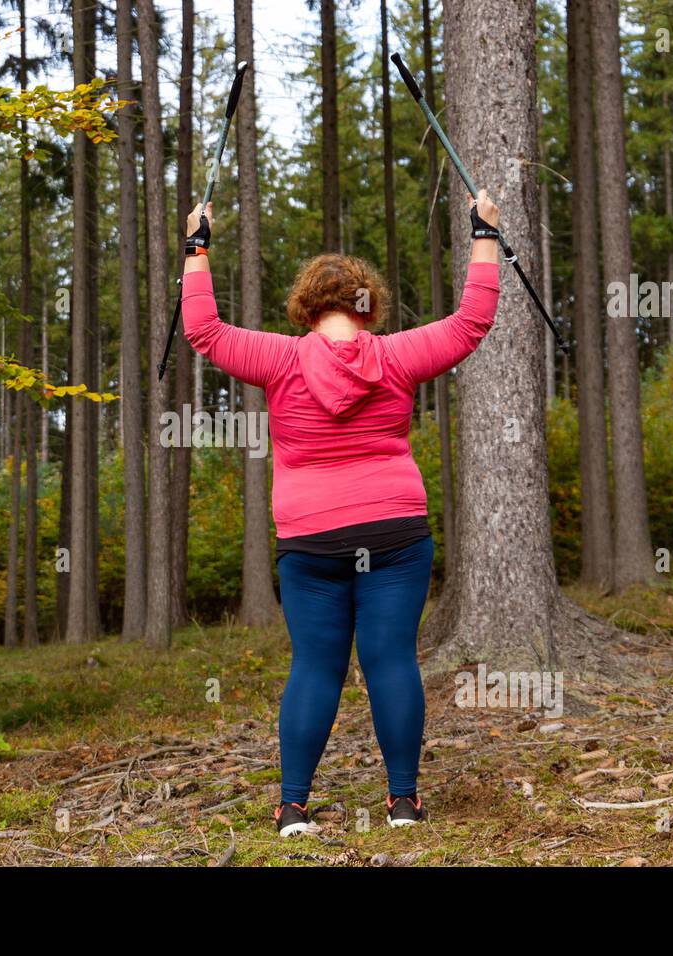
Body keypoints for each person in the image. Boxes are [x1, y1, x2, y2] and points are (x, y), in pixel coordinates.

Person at [180, 190, 501, 835]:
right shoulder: (399, 356)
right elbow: (471, 322)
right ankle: (403, 802)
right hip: (395, 531)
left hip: (312, 539)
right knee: (391, 661)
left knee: (315, 667)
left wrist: (197, 247)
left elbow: (204, 332)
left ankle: (293, 807)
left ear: (305, 307)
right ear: (368, 304)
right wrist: (484, 234)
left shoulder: (278, 359)